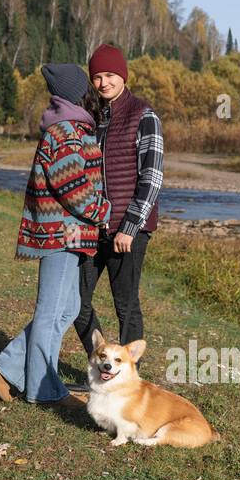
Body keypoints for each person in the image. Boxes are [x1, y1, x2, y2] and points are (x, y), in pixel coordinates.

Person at [0, 63, 111, 405]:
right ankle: (43, 388)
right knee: (50, 310)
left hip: (69, 235)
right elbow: (72, 187)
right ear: (77, 93)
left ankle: (6, 365)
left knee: (68, 307)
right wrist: (104, 212)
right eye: (87, 86)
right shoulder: (65, 130)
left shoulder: (71, 126)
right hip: (61, 234)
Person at [73, 43, 163, 356]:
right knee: (76, 300)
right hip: (94, 228)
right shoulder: (94, 116)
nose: (104, 82)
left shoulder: (143, 115)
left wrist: (131, 226)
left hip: (128, 229)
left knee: (125, 305)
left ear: (122, 75)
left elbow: (151, 178)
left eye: (110, 74)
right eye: (97, 76)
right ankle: (101, 363)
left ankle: (127, 381)